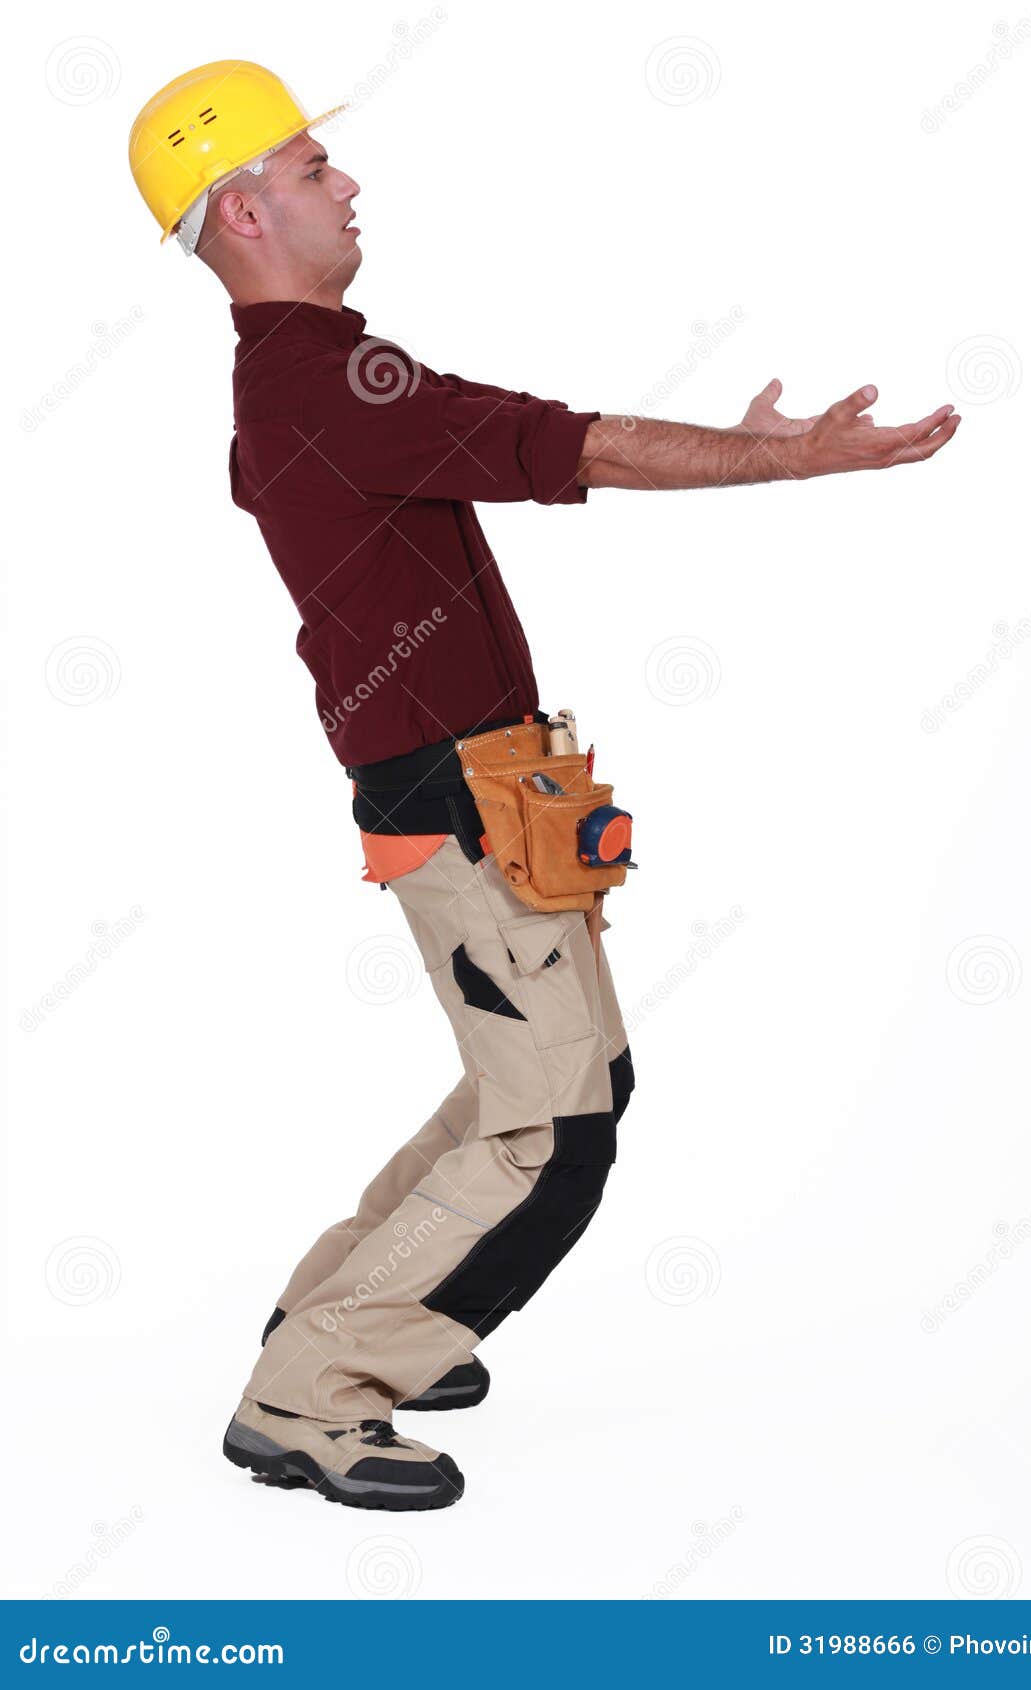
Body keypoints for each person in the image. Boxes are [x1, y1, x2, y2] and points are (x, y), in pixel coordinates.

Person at [128, 60, 960, 1513]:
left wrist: (751, 453)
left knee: (560, 1080)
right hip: (454, 791)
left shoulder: (309, 379)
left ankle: (344, 1308)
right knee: (555, 1127)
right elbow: (555, 443)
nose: (350, 185)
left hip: (480, 781)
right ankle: (311, 1392)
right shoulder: (325, 380)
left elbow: (523, 442)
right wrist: (785, 460)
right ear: (244, 209)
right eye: (318, 168)